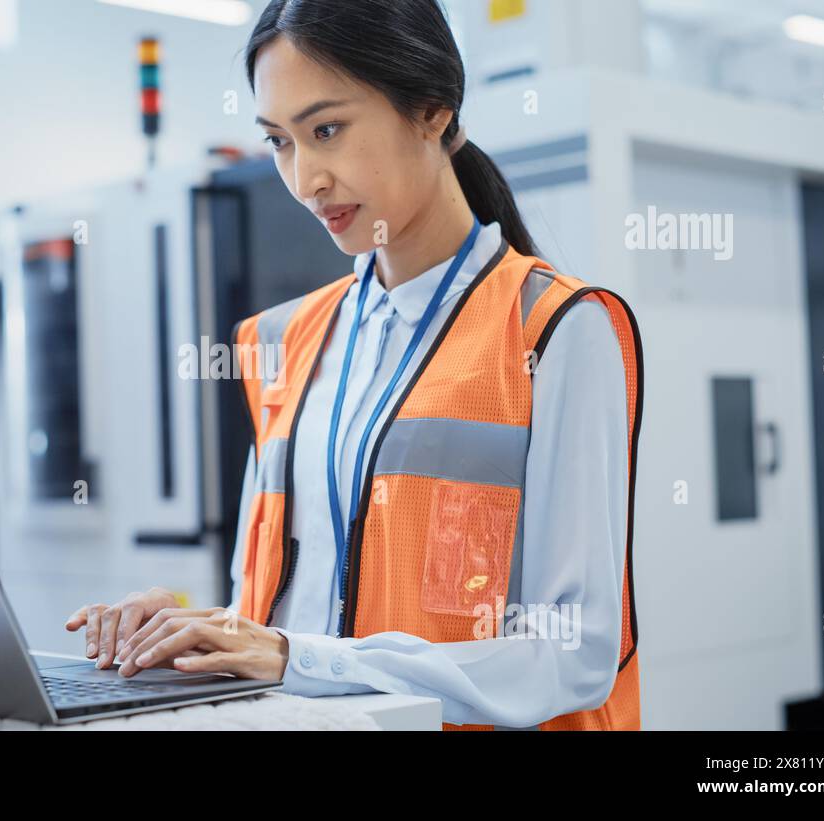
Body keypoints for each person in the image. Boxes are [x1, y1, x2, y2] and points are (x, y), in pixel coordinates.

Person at [66, 0, 643, 730]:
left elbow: (577, 651)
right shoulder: (286, 339)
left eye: (327, 130)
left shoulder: (557, 329)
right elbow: (295, 620)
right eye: (279, 142)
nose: (305, 178)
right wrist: (196, 628)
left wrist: (298, 657)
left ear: (432, 110)